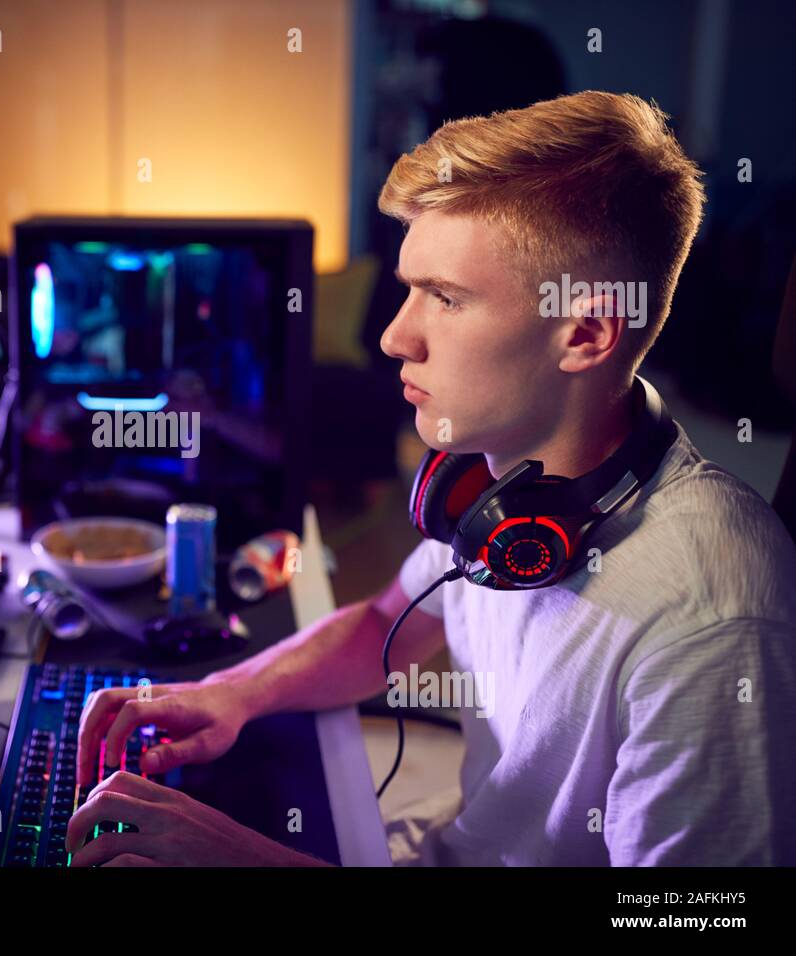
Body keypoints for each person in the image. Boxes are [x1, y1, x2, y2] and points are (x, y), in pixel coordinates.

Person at [67, 91, 796, 866]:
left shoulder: (713, 620)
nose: (393, 336)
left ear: (584, 332)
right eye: (410, 289)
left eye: (445, 298)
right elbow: (387, 624)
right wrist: (228, 692)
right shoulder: (503, 498)